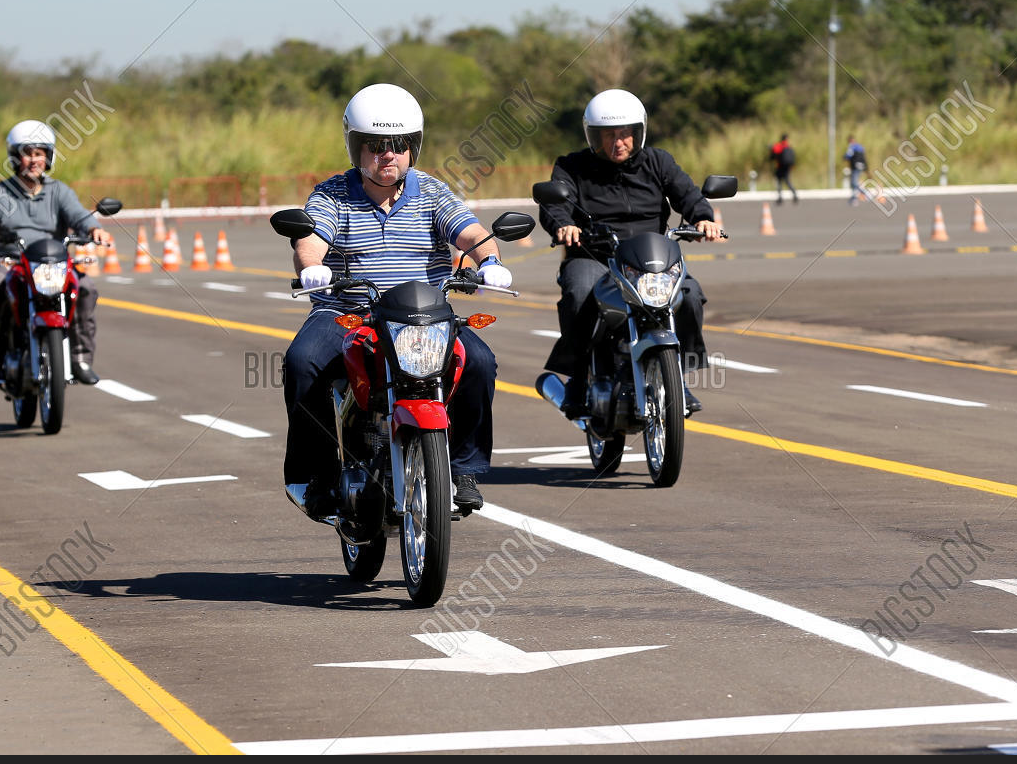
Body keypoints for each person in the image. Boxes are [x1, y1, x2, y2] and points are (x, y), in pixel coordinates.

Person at [283, 82, 512, 519]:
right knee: (302, 362)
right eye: (375, 145)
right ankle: (313, 477)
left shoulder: (431, 190)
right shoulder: (332, 194)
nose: (387, 154)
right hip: (347, 313)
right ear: (356, 147)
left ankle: (462, 468)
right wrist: (311, 265)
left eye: (398, 144)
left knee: (480, 362)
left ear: (413, 147)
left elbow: (467, 230)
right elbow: (310, 237)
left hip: (424, 317)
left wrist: (491, 260)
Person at [537, 88, 724, 418]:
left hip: (652, 259)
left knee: (690, 295)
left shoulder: (658, 161)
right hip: (593, 256)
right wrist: (564, 226)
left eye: (625, 134)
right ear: (591, 135)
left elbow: (688, 194)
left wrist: (703, 218)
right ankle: (579, 379)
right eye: (608, 135)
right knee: (580, 294)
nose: (617, 142)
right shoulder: (573, 166)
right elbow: (554, 204)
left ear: (639, 132)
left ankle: (678, 377)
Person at [0, 119, 106, 387]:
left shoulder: (59, 191)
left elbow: (79, 215)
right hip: (12, 261)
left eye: (39, 154)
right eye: (27, 153)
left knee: (87, 289)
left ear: (48, 158)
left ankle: (80, 359)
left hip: (54, 262)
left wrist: (93, 228)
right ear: (14, 157)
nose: (34, 160)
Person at [844, 135, 872, 204]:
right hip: (861, 166)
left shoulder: (852, 147)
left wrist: (844, 157)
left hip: (855, 167)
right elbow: (864, 159)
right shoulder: (861, 147)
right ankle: (854, 198)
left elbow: (848, 156)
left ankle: (865, 193)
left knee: (854, 183)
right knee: (854, 183)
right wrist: (866, 170)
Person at [770, 133, 798, 203]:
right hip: (787, 168)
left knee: (779, 182)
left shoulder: (779, 146)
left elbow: (773, 154)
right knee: (788, 182)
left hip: (780, 167)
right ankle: (794, 194)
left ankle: (780, 197)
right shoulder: (788, 146)